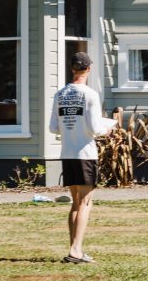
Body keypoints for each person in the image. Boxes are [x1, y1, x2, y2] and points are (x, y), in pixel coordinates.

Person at [48, 52, 117, 264]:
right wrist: (109, 127)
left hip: (67, 154)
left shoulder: (60, 94)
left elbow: (53, 128)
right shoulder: (90, 94)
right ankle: (76, 251)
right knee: (86, 203)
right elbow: (96, 128)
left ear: (72, 69)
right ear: (88, 69)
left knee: (76, 203)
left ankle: (75, 248)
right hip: (85, 154)